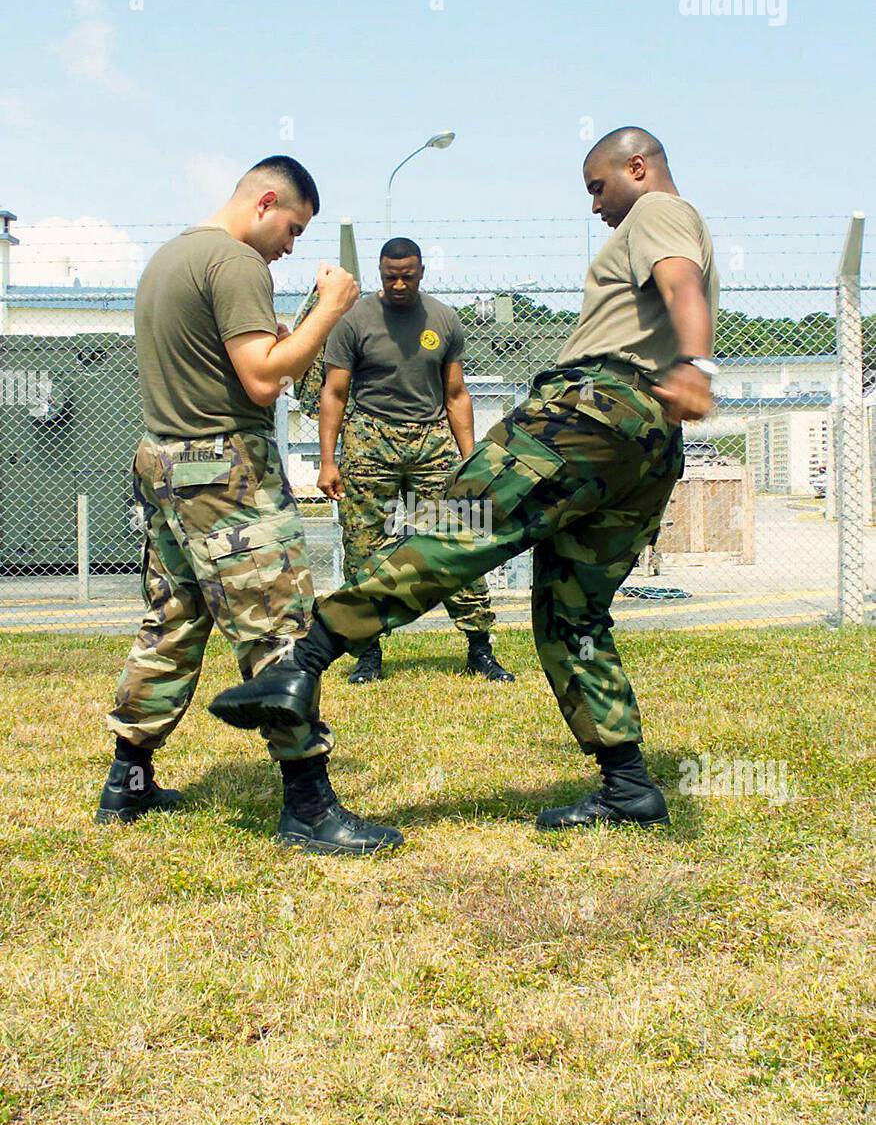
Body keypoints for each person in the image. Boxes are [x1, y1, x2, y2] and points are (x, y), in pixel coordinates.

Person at [209, 128, 718, 834]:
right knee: (572, 615)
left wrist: (697, 361)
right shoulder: (669, 220)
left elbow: (680, 281)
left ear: (638, 167)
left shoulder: (656, 212)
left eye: (599, 187)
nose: (597, 205)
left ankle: (305, 660)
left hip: (589, 414)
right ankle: (627, 785)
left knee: (454, 532)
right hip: (650, 442)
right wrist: (685, 370)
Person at [99, 155, 403, 855]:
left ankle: (128, 780)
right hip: (223, 470)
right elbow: (263, 378)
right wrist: (330, 307)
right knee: (280, 628)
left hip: (167, 464)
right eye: (292, 229)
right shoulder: (235, 263)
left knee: (172, 622)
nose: (290, 247)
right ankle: (308, 807)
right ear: (265, 201)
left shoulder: (169, 259)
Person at [318, 236, 514, 684]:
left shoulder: (443, 319)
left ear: (422, 271)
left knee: (456, 540)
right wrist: (328, 462)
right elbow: (334, 392)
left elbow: (456, 393)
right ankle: (367, 652)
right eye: (390, 277)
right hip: (371, 445)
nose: (399, 284)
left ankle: (479, 648)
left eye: (407, 276)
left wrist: (471, 462)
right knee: (364, 550)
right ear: (380, 273)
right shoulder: (355, 320)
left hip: (431, 446)